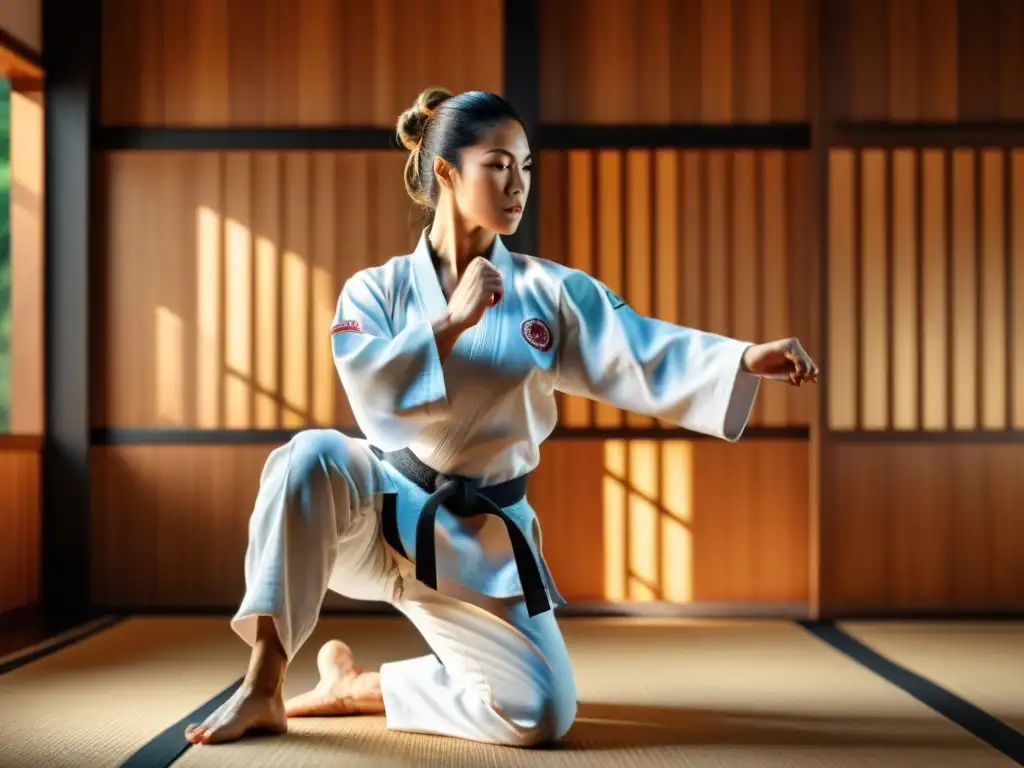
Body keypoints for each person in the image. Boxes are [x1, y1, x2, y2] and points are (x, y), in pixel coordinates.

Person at [184, 87, 819, 748]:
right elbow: (371, 399)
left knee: (541, 715)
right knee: (308, 455)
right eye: (498, 164)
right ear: (446, 172)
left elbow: (644, 350)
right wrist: (451, 322)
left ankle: (360, 687)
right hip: (375, 516)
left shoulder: (550, 293)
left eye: (526, 167)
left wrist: (743, 359)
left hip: (478, 538)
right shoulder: (374, 291)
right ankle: (262, 687)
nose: (519, 184)